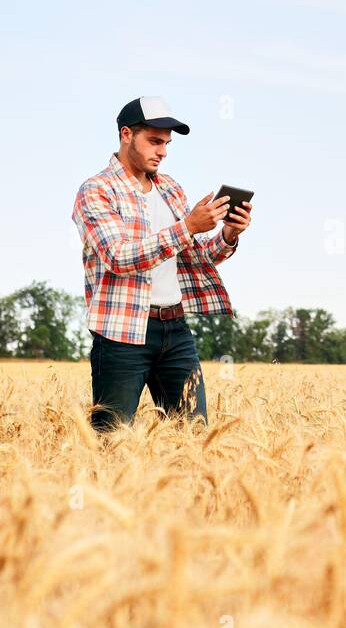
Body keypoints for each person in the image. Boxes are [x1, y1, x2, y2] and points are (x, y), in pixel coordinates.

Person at [71, 96, 252, 432]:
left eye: (166, 143)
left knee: (194, 436)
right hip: (121, 333)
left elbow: (196, 256)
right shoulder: (96, 191)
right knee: (113, 440)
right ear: (126, 135)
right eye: (154, 141)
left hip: (176, 329)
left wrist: (227, 234)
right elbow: (118, 256)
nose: (163, 151)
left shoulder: (170, 189)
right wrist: (188, 227)